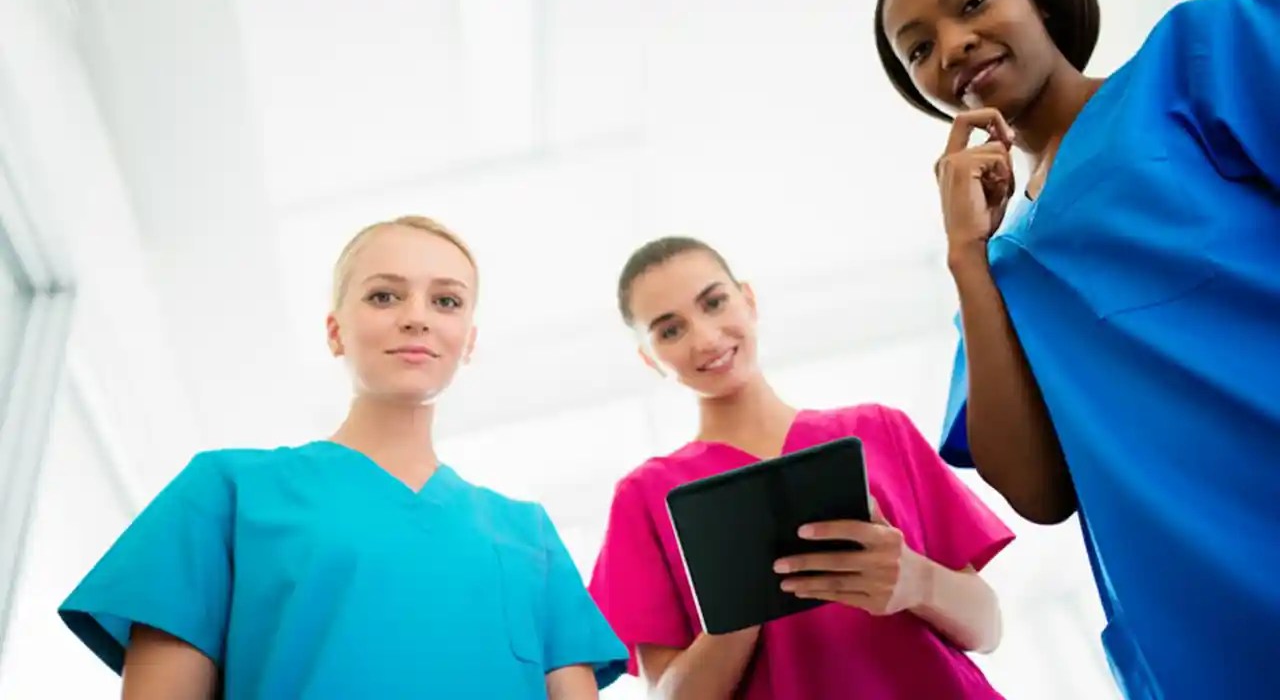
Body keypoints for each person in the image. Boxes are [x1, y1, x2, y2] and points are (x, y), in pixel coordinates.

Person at [875, 0, 1280, 698]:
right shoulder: (993, 274)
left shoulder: (1197, 57)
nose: (952, 47)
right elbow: (1037, 490)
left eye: (971, 3)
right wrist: (966, 255)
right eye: (918, 50)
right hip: (1196, 638)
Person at [58, 216, 628, 698]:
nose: (417, 316)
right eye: (385, 295)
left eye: (446, 300)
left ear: (469, 341)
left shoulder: (529, 535)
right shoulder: (229, 491)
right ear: (335, 331)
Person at [587, 236, 1014, 699]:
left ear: (747, 300)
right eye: (670, 330)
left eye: (714, 302)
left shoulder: (878, 429)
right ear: (649, 359)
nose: (706, 338)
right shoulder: (647, 495)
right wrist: (737, 612)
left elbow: (987, 627)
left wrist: (915, 581)